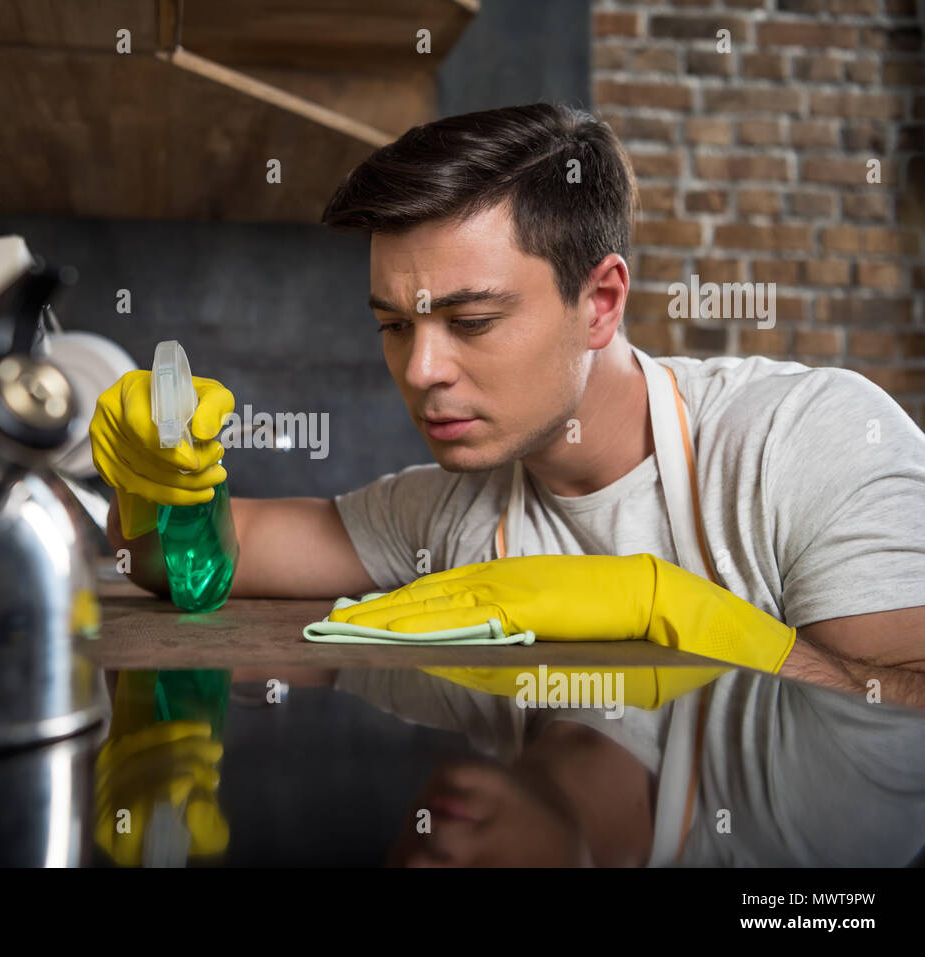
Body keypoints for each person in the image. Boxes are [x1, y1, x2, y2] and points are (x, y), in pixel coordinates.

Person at [90, 103, 925, 865]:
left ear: (600, 302)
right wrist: (161, 488)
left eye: (471, 321)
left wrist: (688, 616)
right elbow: (196, 563)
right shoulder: (453, 510)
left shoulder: (803, 440)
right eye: (393, 325)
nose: (421, 370)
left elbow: (907, 712)